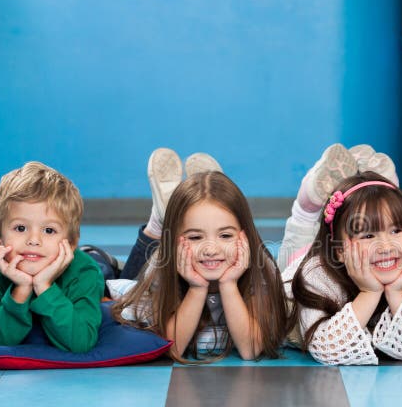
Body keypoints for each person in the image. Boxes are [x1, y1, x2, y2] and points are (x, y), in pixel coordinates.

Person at [110, 148, 289, 362]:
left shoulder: (260, 268)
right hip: (150, 270)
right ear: (176, 240)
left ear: (245, 235)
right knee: (114, 273)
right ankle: (159, 221)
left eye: (225, 235)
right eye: (195, 237)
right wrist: (197, 288)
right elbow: (172, 349)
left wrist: (229, 284)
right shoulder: (163, 264)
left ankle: (303, 213)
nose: (211, 249)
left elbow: (250, 350)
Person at [282, 144, 402, 365]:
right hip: (306, 270)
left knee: (372, 210)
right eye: (368, 236)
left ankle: (372, 193)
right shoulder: (316, 277)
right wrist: (369, 292)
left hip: (344, 249)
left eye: (395, 230)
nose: (386, 246)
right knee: (295, 255)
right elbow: (328, 350)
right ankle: (307, 208)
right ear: (340, 251)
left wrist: (397, 291)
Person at [0, 161, 103, 353]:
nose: (33, 240)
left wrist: (44, 287)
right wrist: (21, 289)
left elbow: (80, 343)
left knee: (116, 281)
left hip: (95, 265)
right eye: (20, 228)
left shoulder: (84, 272)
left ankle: (152, 229)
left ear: (71, 243)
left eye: (49, 230)